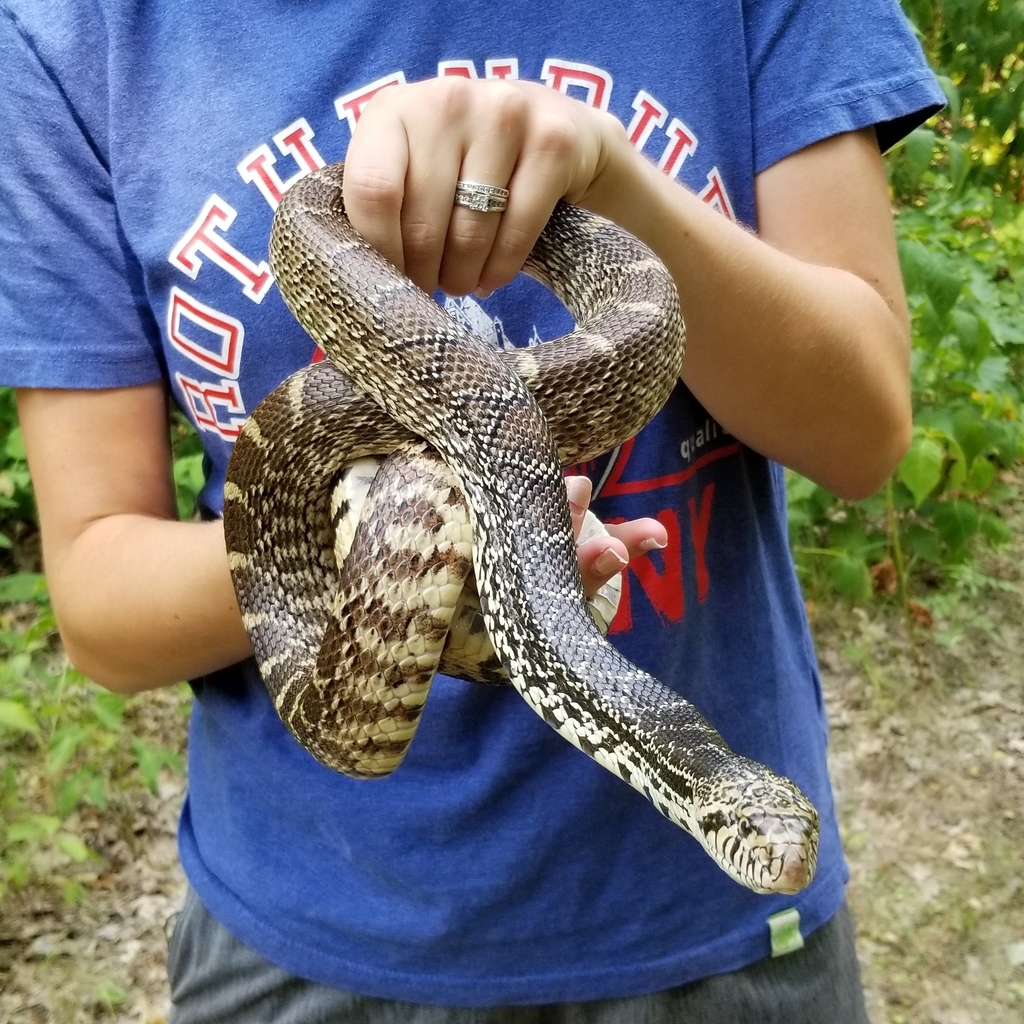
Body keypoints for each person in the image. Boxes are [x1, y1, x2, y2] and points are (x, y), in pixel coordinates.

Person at [0, 0, 943, 1020]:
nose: (772, 852)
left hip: (717, 953)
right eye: (756, 832)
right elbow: (99, 604)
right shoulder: (75, 36)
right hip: (309, 939)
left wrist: (608, 178)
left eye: (757, 833)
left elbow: (863, 436)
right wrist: (417, 525)